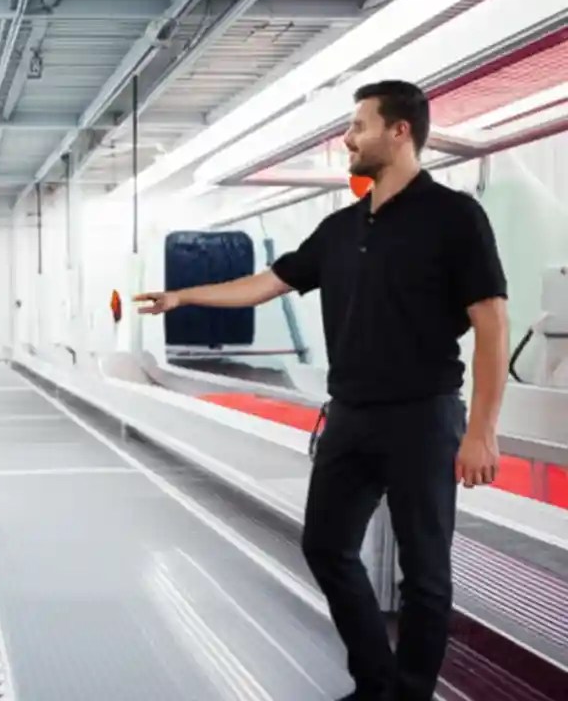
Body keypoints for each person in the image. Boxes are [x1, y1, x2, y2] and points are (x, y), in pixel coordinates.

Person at [134, 80, 509, 701]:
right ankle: (376, 683)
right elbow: (264, 284)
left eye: (358, 125)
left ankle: (408, 693)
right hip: (352, 417)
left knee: (425, 572)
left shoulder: (454, 217)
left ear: (399, 131)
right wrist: (182, 297)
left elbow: (492, 324)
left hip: (424, 415)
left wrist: (482, 431)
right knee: (326, 545)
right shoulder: (340, 229)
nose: (347, 137)